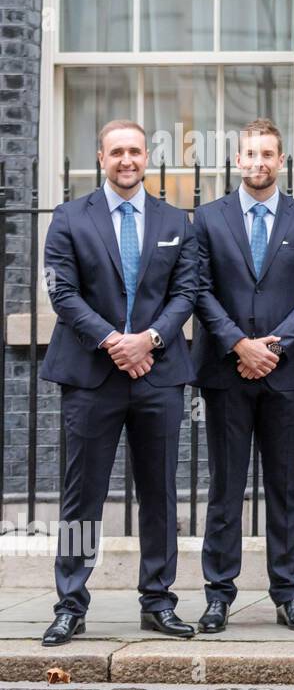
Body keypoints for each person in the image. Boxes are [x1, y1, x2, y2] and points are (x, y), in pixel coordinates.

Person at [41, 119, 199, 645]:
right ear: (101, 157)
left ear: (146, 157)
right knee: (81, 495)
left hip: (158, 374)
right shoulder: (69, 218)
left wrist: (148, 340)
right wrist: (115, 341)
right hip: (91, 376)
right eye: (117, 152)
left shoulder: (176, 219)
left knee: (159, 493)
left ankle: (157, 601)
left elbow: (186, 293)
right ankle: (70, 603)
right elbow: (64, 295)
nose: (127, 160)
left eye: (135, 151)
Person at [191, 118, 294, 633]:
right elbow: (198, 290)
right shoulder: (207, 218)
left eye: (268, 154)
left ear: (281, 160)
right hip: (226, 371)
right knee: (225, 487)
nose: (259, 162)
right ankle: (218, 594)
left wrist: (276, 345)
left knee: (284, 487)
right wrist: (239, 345)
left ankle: (288, 593)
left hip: (285, 372)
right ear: (238, 159)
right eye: (251, 153)